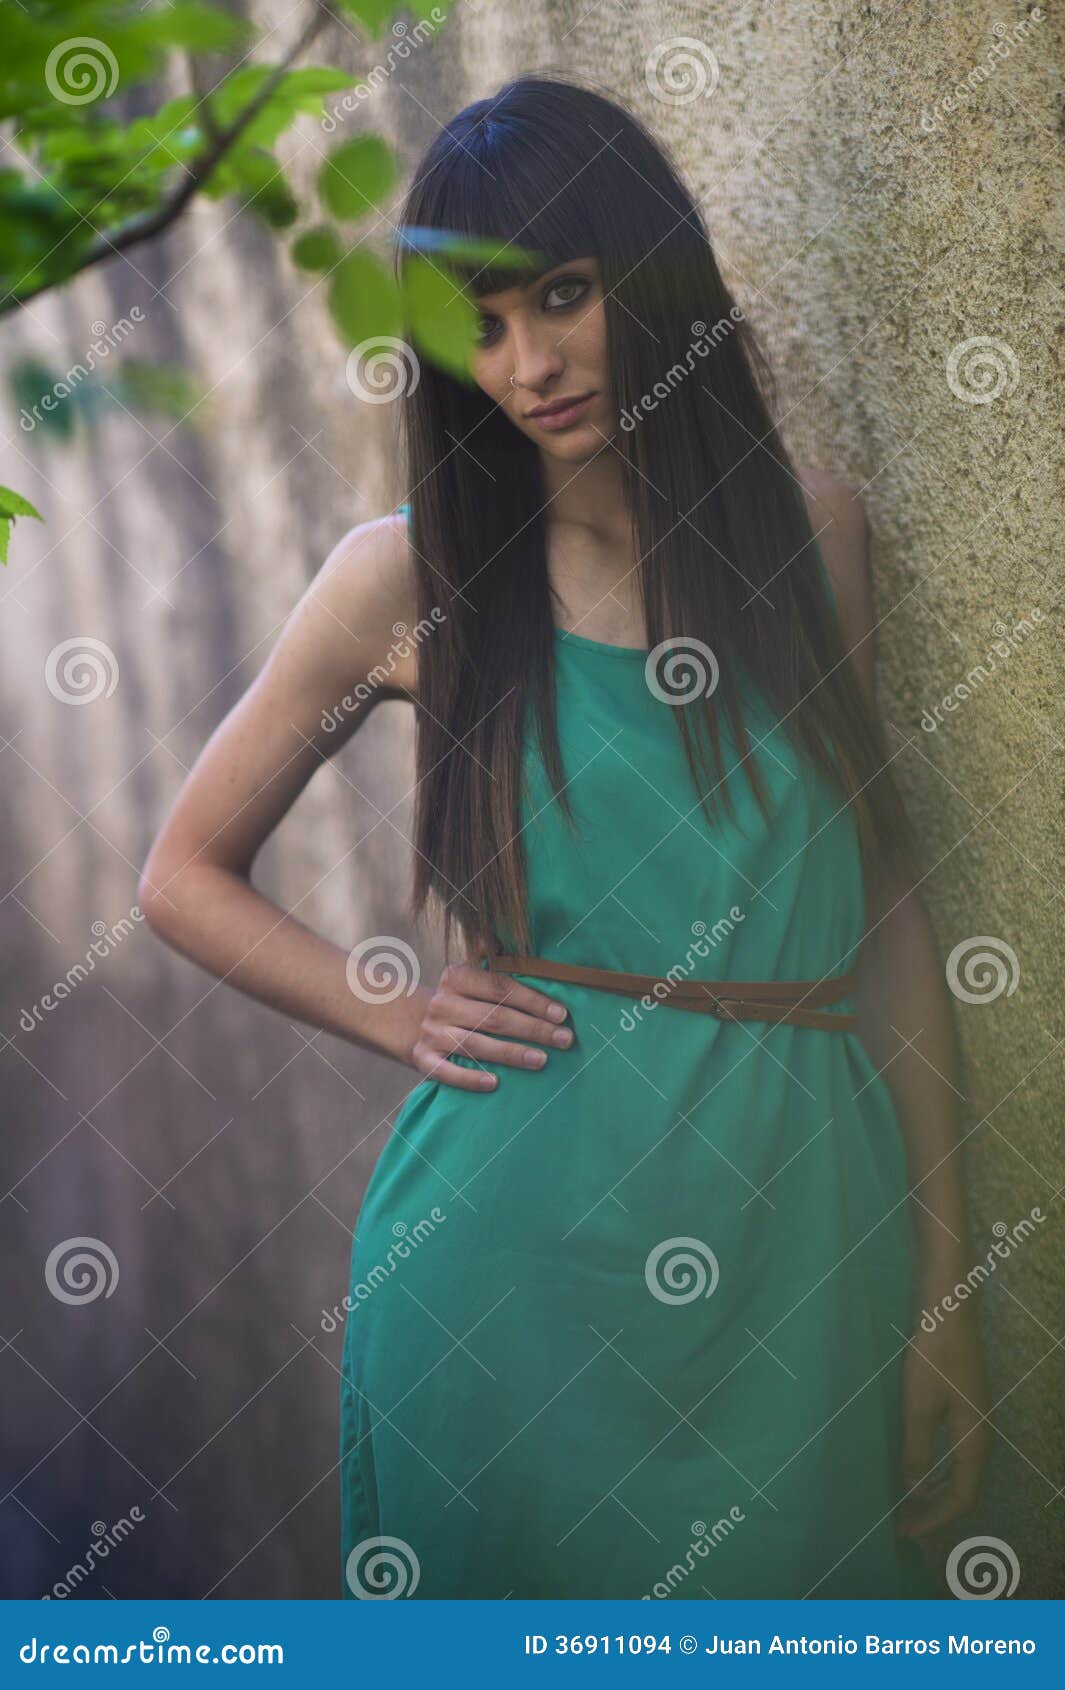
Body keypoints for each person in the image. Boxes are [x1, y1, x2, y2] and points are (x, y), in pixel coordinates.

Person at [140, 74, 990, 1600]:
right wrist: (388, 1004)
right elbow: (179, 872)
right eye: (480, 324)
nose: (527, 362)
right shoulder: (403, 583)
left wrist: (948, 1289)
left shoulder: (817, 539)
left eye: (566, 295)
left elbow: (885, 912)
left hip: (806, 1247)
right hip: (509, 1274)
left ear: (647, 279)